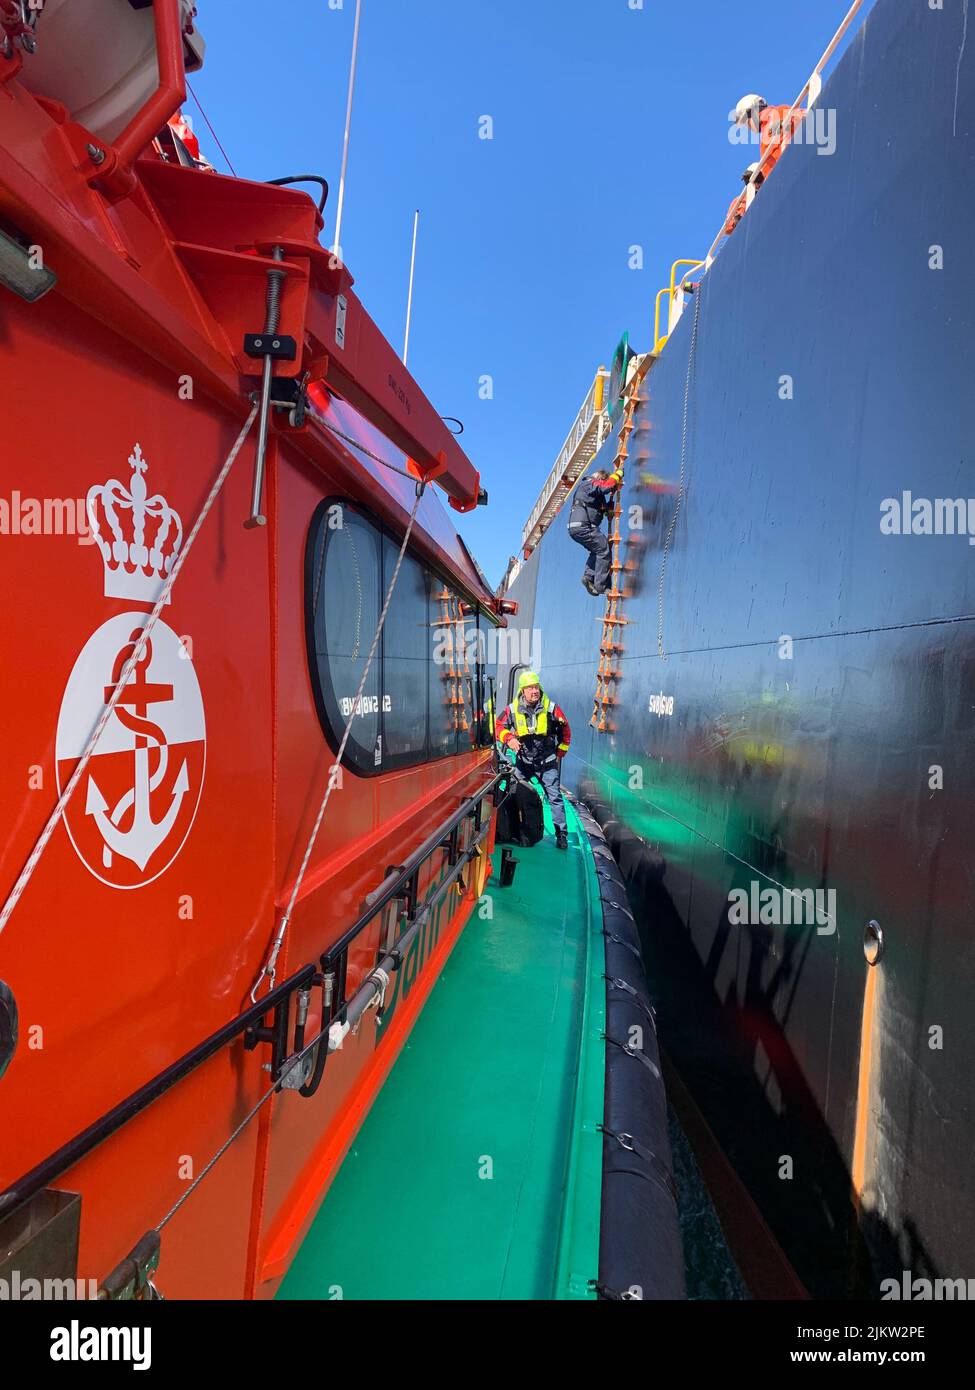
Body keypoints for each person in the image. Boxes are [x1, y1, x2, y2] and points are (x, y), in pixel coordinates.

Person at [495, 671, 572, 849]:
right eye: (530, 688)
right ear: (523, 690)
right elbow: (498, 726)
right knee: (511, 792)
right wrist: (509, 738)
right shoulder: (512, 710)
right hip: (524, 763)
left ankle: (561, 835)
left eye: (536, 687)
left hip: (547, 763)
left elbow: (565, 730)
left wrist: (561, 750)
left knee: (555, 798)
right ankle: (510, 829)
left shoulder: (551, 708)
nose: (534, 691)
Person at [568, 467, 623, 596]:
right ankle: (601, 587)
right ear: (599, 478)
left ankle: (589, 577)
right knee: (604, 549)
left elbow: (600, 508)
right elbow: (605, 486)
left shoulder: (590, 491)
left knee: (596, 550)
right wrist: (617, 475)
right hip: (584, 526)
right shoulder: (589, 483)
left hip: (576, 527)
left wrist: (608, 510)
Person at [733, 94, 802, 177]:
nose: (748, 127)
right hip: (784, 178)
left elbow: (804, 120)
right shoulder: (764, 140)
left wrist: (788, 123)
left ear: (751, 112)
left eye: (746, 122)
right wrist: (758, 178)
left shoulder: (779, 111)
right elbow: (770, 169)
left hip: (795, 165)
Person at [724, 162, 764, 237]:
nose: (752, 183)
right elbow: (727, 229)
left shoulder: (771, 190)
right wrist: (736, 221)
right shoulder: (739, 200)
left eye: (757, 179)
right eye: (747, 181)